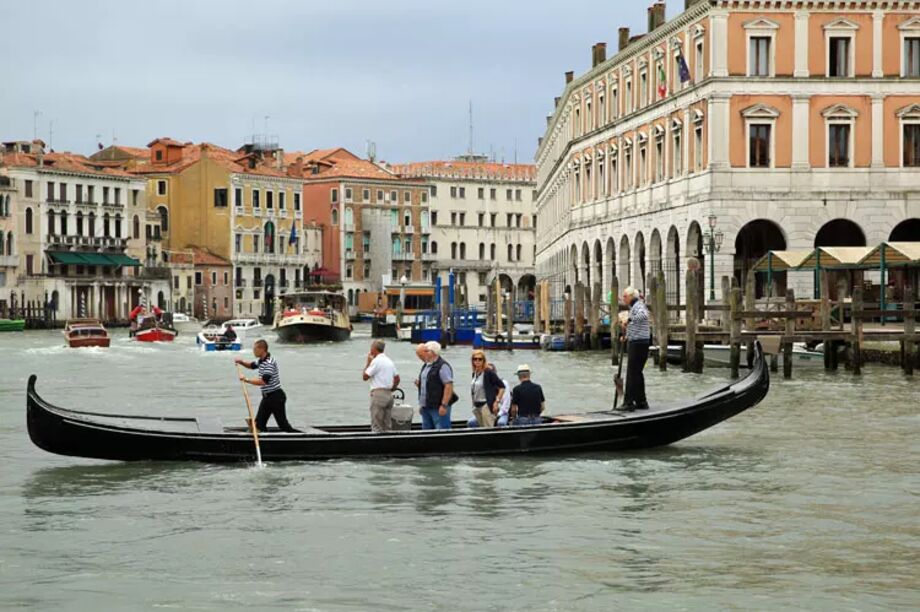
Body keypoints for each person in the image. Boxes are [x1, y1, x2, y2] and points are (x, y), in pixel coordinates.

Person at [235, 340, 299, 432]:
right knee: (259, 425)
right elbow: (252, 365)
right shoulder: (261, 361)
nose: (253, 351)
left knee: (283, 425)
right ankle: (264, 442)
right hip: (267, 397)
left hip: (276, 397)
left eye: (255, 349)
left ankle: (304, 439)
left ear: (262, 349)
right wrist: (241, 362)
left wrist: (247, 380)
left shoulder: (269, 362)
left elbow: (263, 381)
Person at [619, 286, 651, 411]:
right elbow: (635, 326)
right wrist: (627, 336)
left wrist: (629, 318)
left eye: (625, 296)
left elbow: (644, 316)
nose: (623, 298)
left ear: (631, 296)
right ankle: (641, 401)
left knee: (632, 373)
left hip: (638, 343)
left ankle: (629, 403)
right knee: (636, 373)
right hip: (637, 341)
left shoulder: (639, 306)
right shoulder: (634, 307)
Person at [415, 341, 454, 430]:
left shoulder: (442, 366)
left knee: (441, 429)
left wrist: (444, 405)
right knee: (426, 430)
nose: (424, 353)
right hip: (426, 406)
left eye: (426, 351)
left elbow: (448, 385)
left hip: (438, 407)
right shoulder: (426, 366)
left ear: (433, 352)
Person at [363, 339, 400, 433]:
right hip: (388, 394)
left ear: (374, 349)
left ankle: (377, 445)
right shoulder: (389, 361)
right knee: (387, 424)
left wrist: (368, 362)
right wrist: (392, 388)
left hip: (378, 393)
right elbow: (397, 378)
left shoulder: (376, 361)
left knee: (377, 424)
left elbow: (365, 376)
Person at [466, 350, 505, 428]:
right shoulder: (474, 373)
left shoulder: (488, 372)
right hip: (477, 406)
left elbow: (502, 387)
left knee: (488, 428)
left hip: (486, 405)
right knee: (481, 428)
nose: (477, 361)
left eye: (480, 359)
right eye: (475, 359)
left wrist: (496, 402)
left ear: (484, 360)